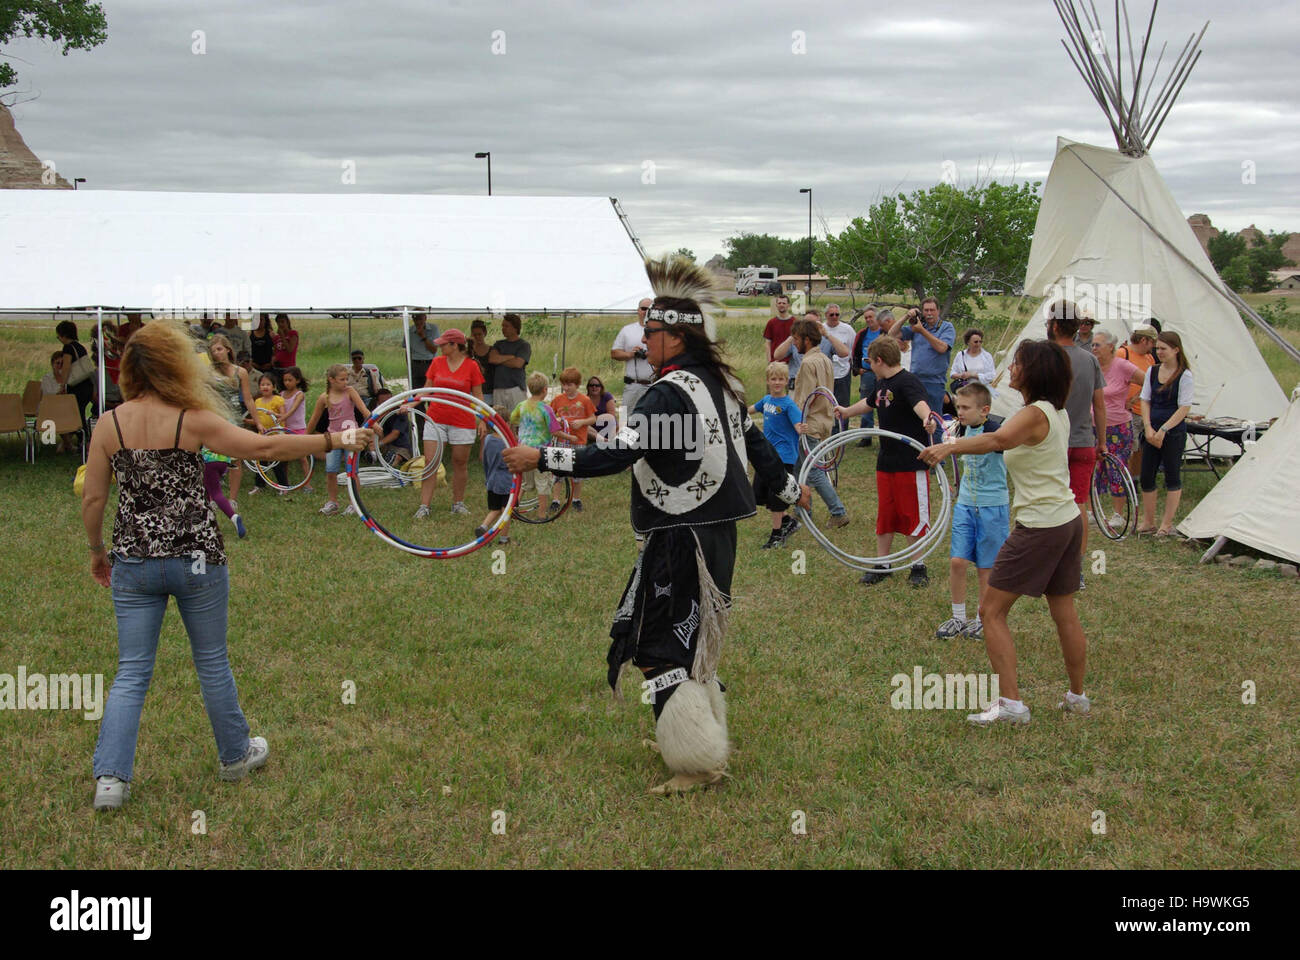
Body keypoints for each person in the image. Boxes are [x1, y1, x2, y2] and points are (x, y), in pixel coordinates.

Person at [502, 256, 811, 795]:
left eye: (651, 330)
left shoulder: (667, 393)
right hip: (714, 534)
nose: (643, 339)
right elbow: (757, 447)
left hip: (682, 534)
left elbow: (620, 452)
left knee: (658, 645)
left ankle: (695, 760)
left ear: (677, 336)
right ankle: (693, 732)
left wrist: (544, 458)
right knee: (693, 639)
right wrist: (787, 491)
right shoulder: (725, 385)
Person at [80, 319, 373, 810]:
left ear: (129, 369)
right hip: (197, 560)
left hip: (133, 561)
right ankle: (235, 755)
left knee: (131, 671)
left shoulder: (108, 424)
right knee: (211, 661)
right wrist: (334, 442)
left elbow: (93, 497)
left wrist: (95, 550)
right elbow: (264, 447)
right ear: (176, 364)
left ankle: (111, 780)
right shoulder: (191, 419)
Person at [921, 339, 1090, 727]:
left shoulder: (1033, 413)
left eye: (1017, 364)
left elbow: (998, 439)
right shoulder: (1056, 411)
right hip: (1066, 521)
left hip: (1041, 526)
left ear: (1034, 371)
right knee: (1063, 610)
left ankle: (1011, 705)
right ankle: (1077, 696)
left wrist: (949, 448)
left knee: (991, 611)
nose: (1010, 369)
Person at [834, 335, 934, 588]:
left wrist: (926, 418)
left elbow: (921, 404)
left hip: (912, 461)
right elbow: (869, 404)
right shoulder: (882, 384)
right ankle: (883, 564)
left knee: (913, 515)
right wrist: (846, 411)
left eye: (870, 362)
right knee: (886, 514)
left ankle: (917, 566)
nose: (869, 366)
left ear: (879, 360)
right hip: (887, 461)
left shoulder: (907, 381)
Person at [935, 382, 1008, 641]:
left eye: (965, 407)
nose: (960, 412)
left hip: (992, 506)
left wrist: (956, 443)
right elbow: (948, 436)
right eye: (958, 407)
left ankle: (981, 618)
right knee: (957, 561)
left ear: (984, 409)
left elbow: (986, 445)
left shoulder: (996, 431)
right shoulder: (961, 427)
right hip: (966, 503)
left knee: (985, 568)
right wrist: (938, 432)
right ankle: (958, 617)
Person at [1046, 300, 1106, 586]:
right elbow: (1100, 406)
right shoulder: (1090, 359)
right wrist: (1102, 442)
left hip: (1050, 442)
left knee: (1049, 503)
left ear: (1055, 325)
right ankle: (1076, 569)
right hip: (1084, 440)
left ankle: (1049, 562)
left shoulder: (1046, 357)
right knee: (1078, 504)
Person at [414, 329, 485, 518]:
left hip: (462, 421)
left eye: (443, 344)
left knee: (460, 462)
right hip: (436, 418)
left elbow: (478, 396)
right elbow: (427, 389)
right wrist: (410, 404)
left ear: (454, 345)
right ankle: (424, 506)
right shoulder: (437, 363)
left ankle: (458, 503)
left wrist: (484, 419)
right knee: (431, 462)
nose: (439, 347)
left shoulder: (471, 366)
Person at [789, 319, 850, 530]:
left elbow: (805, 398)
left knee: (812, 470)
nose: (794, 343)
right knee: (800, 468)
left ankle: (838, 511)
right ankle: (801, 511)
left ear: (806, 339)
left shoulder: (807, 363)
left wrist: (796, 421)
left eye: (796, 339)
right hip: (824, 420)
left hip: (810, 423)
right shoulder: (824, 358)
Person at [1138, 331, 1194, 536]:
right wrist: (1148, 426)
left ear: (1176, 350)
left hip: (1172, 431)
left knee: (1172, 475)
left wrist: (1164, 429)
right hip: (1152, 430)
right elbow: (1145, 399)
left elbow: (1184, 407)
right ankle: (1148, 521)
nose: (1159, 352)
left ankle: (1166, 523)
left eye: (1163, 348)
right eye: (1158, 348)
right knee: (1146, 476)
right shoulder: (1152, 372)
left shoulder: (1184, 375)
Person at [1092, 328, 1145, 525]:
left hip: (1117, 425)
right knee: (1093, 468)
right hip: (1092, 425)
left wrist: (1134, 400)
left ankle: (1118, 514)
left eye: (1098, 345)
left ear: (1110, 347)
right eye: (1093, 345)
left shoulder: (1122, 366)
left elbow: (1147, 382)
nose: (1094, 348)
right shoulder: (1092, 366)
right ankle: (1092, 509)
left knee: (1116, 467)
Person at [748, 360, 802, 548]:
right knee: (759, 494)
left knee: (777, 498)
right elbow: (750, 410)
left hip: (784, 457)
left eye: (781, 379)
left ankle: (777, 534)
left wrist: (800, 428)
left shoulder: (789, 405)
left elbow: (798, 425)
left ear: (787, 381)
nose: (777, 382)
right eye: (773, 379)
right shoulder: (766, 400)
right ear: (768, 381)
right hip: (767, 456)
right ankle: (788, 521)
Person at [306, 364, 371, 516]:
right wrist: (303, 438)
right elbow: (314, 420)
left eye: (346, 379)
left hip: (351, 437)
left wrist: (375, 424)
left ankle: (354, 503)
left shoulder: (350, 392)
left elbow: (365, 411)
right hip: (333, 438)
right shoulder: (325, 397)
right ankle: (333, 502)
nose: (345, 382)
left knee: (352, 472)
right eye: (342, 379)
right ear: (331, 380)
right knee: (331, 471)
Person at [510, 372, 570, 518]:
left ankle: (513, 510)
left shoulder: (521, 405)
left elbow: (513, 419)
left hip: (523, 450)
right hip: (540, 453)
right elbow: (555, 431)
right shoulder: (546, 409)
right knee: (543, 484)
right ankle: (542, 515)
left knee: (524, 483)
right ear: (545, 390)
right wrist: (571, 437)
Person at [207, 335, 256, 509]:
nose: (216, 354)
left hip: (234, 418)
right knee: (211, 459)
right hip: (215, 418)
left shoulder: (239, 372)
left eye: (219, 349)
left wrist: (258, 422)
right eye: (213, 351)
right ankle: (213, 496)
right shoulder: (209, 372)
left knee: (235, 460)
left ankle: (232, 499)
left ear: (228, 349)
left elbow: (249, 399)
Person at [887, 297, 955, 416]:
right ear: (922, 312)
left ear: (938, 311)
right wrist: (906, 316)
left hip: (934, 381)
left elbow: (942, 348)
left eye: (932, 310)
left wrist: (922, 331)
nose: (929, 314)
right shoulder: (917, 327)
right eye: (926, 310)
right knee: (914, 417)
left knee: (933, 417)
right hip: (916, 380)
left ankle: (935, 436)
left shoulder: (946, 327)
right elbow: (892, 334)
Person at [549, 366, 599, 512]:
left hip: (579, 441)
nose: (566, 388)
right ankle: (556, 500)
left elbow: (593, 419)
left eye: (569, 385)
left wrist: (582, 422)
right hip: (561, 441)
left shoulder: (585, 400)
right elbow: (550, 416)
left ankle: (576, 499)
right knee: (558, 471)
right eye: (563, 384)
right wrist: (557, 420)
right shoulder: (558, 399)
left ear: (577, 385)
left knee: (578, 472)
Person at [1118, 324, 1158, 476]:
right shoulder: (1122, 353)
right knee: (1129, 447)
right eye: (1152, 342)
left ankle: (1135, 478)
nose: (1154, 346)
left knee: (1140, 448)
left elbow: (1151, 382)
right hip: (1128, 410)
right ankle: (1124, 479)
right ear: (1144, 340)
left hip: (1145, 410)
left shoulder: (1149, 358)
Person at [475, 407, 515, 546]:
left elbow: (484, 459)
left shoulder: (488, 440)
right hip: (505, 481)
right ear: (507, 424)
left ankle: (483, 527)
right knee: (506, 511)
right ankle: (504, 539)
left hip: (491, 480)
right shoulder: (507, 443)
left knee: (495, 509)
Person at [773, 309, 839, 387]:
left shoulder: (826, 340)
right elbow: (777, 355)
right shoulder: (796, 340)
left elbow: (844, 353)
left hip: (819, 384)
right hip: (797, 383)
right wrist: (793, 335)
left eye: (813, 324)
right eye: (806, 324)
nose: (809, 328)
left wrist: (827, 335)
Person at [611, 299, 654, 415]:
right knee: (625, 421)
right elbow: (614, 353)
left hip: (654, 385)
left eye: (649, 309)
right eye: (643, 308)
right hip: (632, 385)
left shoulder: (661, 331)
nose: (646, 312)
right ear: (638, 310)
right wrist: (631, 354)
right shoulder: (627, 330)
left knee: (653, 423)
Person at [850, 306, 886, 443]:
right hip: (867, 373)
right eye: (866, 317)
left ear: (877, 317)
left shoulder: (884, 333)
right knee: (865, 403)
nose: (868, 320)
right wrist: (857, 368)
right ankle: (865, 436)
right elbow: (855, 352)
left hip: (883, 374)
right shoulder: (862, 334)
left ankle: (885, 435)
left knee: (884, 404)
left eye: (871, 317)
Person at [54, 319, 96, 434]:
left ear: (63, 335)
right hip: (87, 386)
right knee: (80, 413)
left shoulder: (68, 348)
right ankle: (82, 440)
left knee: (76, 415)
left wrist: (62, 385)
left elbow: (67, 367)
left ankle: (84, 441)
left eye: (58, 336)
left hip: (78, 387)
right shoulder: (80, 347)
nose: (59, 339)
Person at [251, 373, 289, 488]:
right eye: (262, 384)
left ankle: (283, 486)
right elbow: (257, 419)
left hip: (276, 436)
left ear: (274, 386)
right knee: (261, 462)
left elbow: (283, 416)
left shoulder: (278, 400)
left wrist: (274, 414)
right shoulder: (257, 402)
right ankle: (259, 486)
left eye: (268, 384)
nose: (265, 387)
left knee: (277, 463)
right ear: (259, 387)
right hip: (262, 436)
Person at [488, 313, 531, 413]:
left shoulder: (524, 345)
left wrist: (500, 359)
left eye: (506, 326)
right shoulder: (498, 344)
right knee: (500, 420)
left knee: (517, 419)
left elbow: (518, 363)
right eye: (502, 326)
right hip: (499, 388)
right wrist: (510, 357)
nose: (503, 328)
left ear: (515, 328)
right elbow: (492, 359)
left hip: (516, 388)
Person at [280, 367, 313, 492]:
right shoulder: (281, 394)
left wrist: (283, 416)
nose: (287, 383)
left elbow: (293, 409)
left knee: (302, 458)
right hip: (285, 430)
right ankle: (285, 485)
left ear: (297, 380)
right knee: (285, 458)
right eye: (285, 380)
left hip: (298, 429)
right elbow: (280, 409)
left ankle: (307, 484)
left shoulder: (300, 395)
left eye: (290, 380)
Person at [822, 304, 856, 424]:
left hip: (842, 372)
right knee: (825, 405)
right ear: (826, 315)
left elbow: (852, 349)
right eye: (832, 314)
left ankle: (841, 435)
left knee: (842, 405)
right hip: (825, 373)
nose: (835, 317)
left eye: (837, 314)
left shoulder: (847, 329)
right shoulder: (821, 328)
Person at [947, 328, 996, 401]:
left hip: (981, 392)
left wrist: (973, 375)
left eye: (980, 341)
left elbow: (991, 376)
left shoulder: (987, 356)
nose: (978, 344)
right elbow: (952, 373)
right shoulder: (960, 355)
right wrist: (961, 375)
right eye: (976, 342)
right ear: (968, 342)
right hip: (964, 391)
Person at [407, 312, 440, 389]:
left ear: (425, 318)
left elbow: (434, 350)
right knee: (416, 392)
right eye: (416, 319)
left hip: (430, 363)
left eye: (420, 319)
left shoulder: (433, 329)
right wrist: (409, 367)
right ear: (413, 319)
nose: (418, 322)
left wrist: (423, 337)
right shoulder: (409, 331)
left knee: (431, 391)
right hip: (416, 364)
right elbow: (408, 351)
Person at [346, 348, 381, 419]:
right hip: (350, 399)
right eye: (354, 359)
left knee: (368, 408)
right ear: (352, 360)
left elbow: (377, 388)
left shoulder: (370, 373)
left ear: (363, 359)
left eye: (359, 358)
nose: (357, 360)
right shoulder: (346, 374)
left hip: (365, 399)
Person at [762, 294, 796, 363]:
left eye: (784, 303)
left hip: (791, 362)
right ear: (776, 305)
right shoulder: (771, 323)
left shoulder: (795, 322)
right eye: (779, 303)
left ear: (788, 305)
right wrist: (769, 361)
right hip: (775, 362)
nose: (781, 305)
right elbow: (767, 344)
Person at [469, 319, 495, 406]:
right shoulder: (468, 352)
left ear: (485, 333)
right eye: (474, 335)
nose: (477, 337)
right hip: (472, 392)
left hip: (489, 392)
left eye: (479, 334)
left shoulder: (492, 350)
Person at [586, 375, 618, 443]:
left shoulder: (607, 396)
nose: (594, 387)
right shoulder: (585, 399)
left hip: (608, 427)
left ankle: (605, 440)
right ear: (588, 387)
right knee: (582, 427)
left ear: (601, 387)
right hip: (593, 430)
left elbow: (611, 416)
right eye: (591, 385)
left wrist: (593, 419)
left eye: (597, 385)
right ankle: (604, 441)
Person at [271, 314, 298, 379]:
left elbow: (290, 349)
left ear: (287, 322)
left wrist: (282, 336)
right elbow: (275, 351)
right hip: (278, 367)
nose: (281, 324)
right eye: (278, 323)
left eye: (282, 322)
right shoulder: (276, 337)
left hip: (288, 367)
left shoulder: (293, 334)